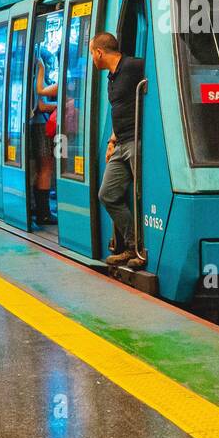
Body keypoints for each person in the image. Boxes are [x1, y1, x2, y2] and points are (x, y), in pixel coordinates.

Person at [90, 32, 146, 266]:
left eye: (92, 53)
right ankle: (131, 246)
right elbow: (120, 110)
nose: (92, 58)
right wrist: (112, 141)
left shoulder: (134, 66)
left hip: (137, 140)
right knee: (108, 194)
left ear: (100, 53)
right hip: (121, 143)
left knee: (141, 194)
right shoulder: (111, 78)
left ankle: (142, 252)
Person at [30, 42, 58, 228]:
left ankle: (41, 209)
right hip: (42, 126)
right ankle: (44, 213)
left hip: (40, 126)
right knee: (46, 168)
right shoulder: (37, 80)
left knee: (43, 169)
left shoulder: (35, 79)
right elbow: (40, 105)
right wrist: (60, 105)